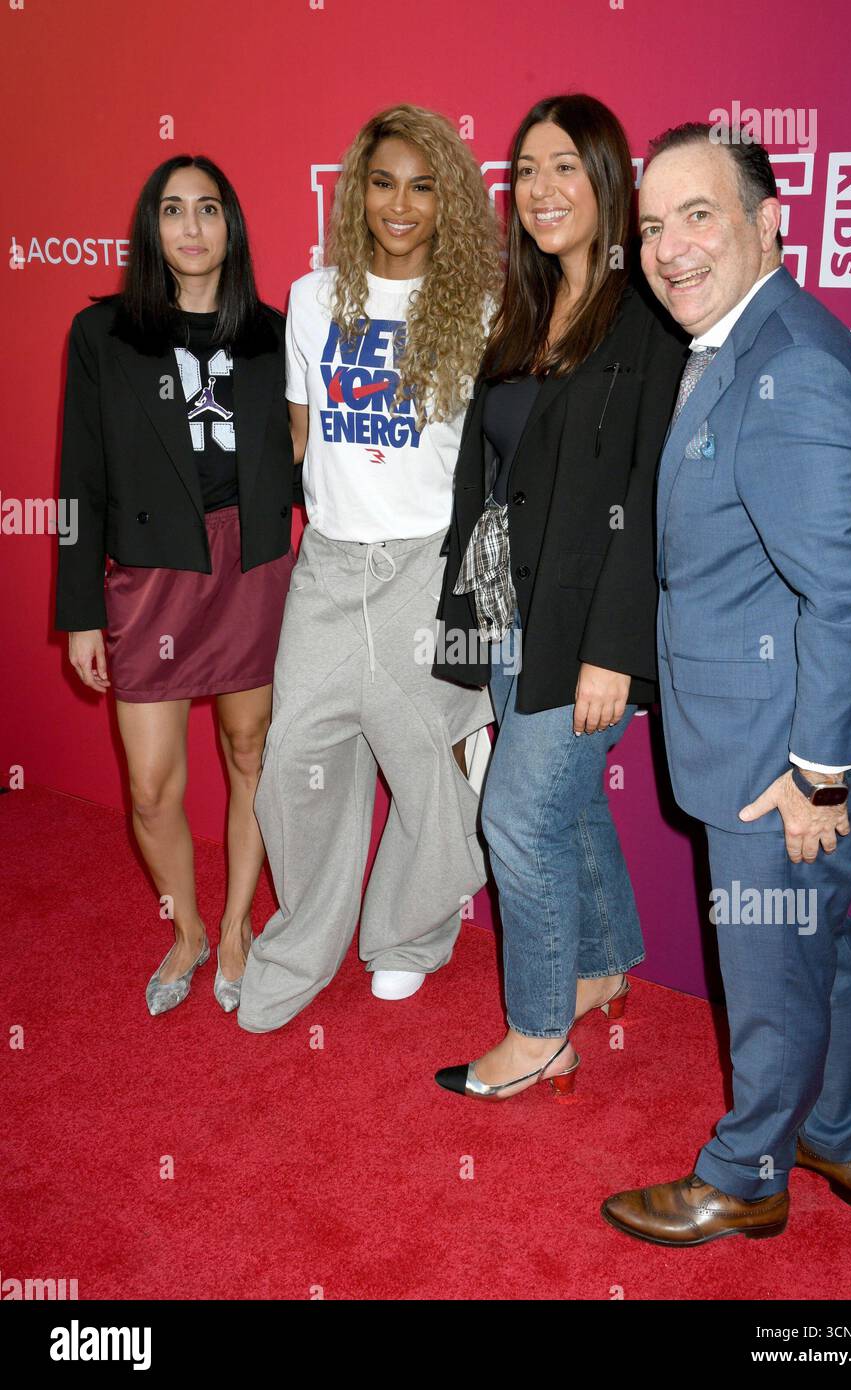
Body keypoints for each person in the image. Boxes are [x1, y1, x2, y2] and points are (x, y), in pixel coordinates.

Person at [601, 123, 851, 1245]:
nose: (670, 247)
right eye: (651, 225)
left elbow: (849, 595)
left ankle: (746, 1172)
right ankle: (842, 1131)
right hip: (781, 727)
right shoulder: (750, 339)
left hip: (787, 754)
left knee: (770, 964)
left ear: (768, 222)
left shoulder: (790, 370)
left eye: (699, 215)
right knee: (815, 943)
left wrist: (816, 776)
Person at [432, 94, 686, 1099]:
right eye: (526, 171)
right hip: (509, 609)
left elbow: (650, 495)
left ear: (609, 181)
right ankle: (601, 964)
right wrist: (467, 624)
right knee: (568, 807)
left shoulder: (652, 319)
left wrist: (614, 650)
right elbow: (485, 475)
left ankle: (539, 1034)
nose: (540, 190)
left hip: (587, 622)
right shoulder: (523, 309)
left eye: (564, 168)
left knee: (518, 819)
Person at [235, 105, 502, 1033]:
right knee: (295, 758)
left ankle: (409, 939)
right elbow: (302, 434)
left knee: (430, 768)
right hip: (330, 560)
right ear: (358, 190)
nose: (401, 204)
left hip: (427, 563)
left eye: (423, 187)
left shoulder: (478, 308)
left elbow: (493, 454)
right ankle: (304, 939)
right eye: (384, 182)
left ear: (450, 202)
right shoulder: (314, 298)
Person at [55, 155, 302, 1017]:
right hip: (151, 577)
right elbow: (79, 479)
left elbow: (309, 454)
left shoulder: (276, 333)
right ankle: (186, 931)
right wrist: (81, 611)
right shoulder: (104, 336)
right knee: (152, 785)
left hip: (251, 566)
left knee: (250, 759)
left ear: (231, 225)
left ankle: (235, 928)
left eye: (208, 209)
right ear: (151, 228)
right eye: (173, 210)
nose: (192, 227)